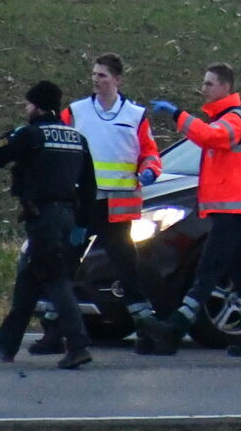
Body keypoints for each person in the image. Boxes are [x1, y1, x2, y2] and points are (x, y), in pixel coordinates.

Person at [139, 63, 241, 357]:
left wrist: (178, 115)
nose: (204, 89)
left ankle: (175, 327)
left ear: (226, 87)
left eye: (209, 83)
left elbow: (208, 137)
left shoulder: (233, 120)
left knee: (208, 269)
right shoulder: (225, 119)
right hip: (229, 211)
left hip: (232, 211)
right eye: (204, 83)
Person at [30, 53, 163, 355]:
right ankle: (53, 332)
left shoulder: (135, 115)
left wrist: (150, 171)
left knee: (127, 269)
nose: (96, 79)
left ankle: (147, 330)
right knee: (65, 264)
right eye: (94, 74)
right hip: (82, 204)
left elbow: (150, 152)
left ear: (117, 79)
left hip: (118, 206)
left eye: (102, 75)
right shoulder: (76, 112)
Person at [0, 81, 96, 369]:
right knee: (29, 282)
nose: (26, 108)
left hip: (42, 217)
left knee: (56, 280)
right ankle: (7, 343)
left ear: (38, 107)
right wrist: (82, 224)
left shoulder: (31, 135)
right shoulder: (77, 138)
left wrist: (12, 137)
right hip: (69, 218)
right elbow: (89, 186)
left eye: (29, 104)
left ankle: (78, 345)